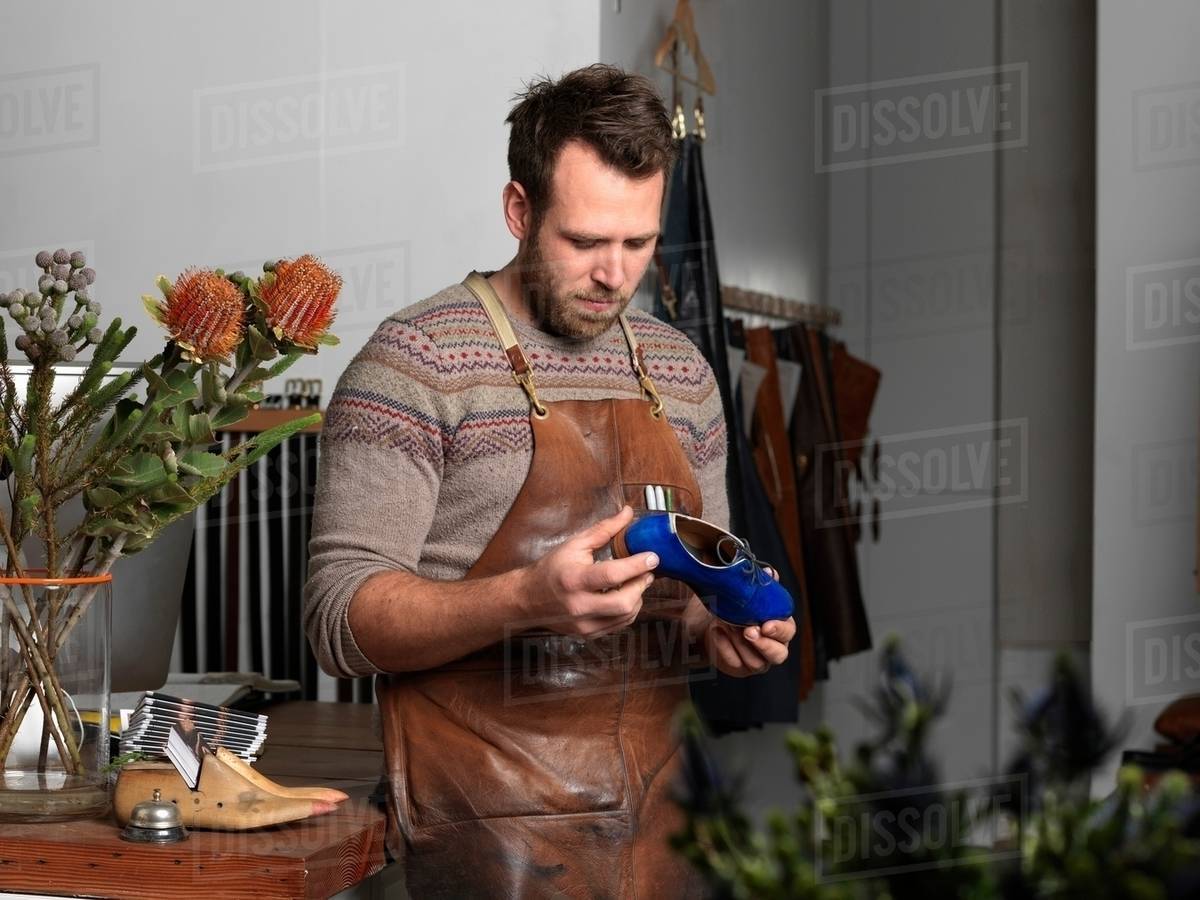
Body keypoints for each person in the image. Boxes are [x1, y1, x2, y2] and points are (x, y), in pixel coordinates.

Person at [304, 63, 795, 899]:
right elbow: (337, 621)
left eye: (637, 243)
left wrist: (718, 635)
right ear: (519, 212)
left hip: (667, 827)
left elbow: (682, 609)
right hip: (485, 837)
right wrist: (526, 599)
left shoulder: (681, 373)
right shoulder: (415, 362)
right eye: (585, 241)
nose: (615, 273)